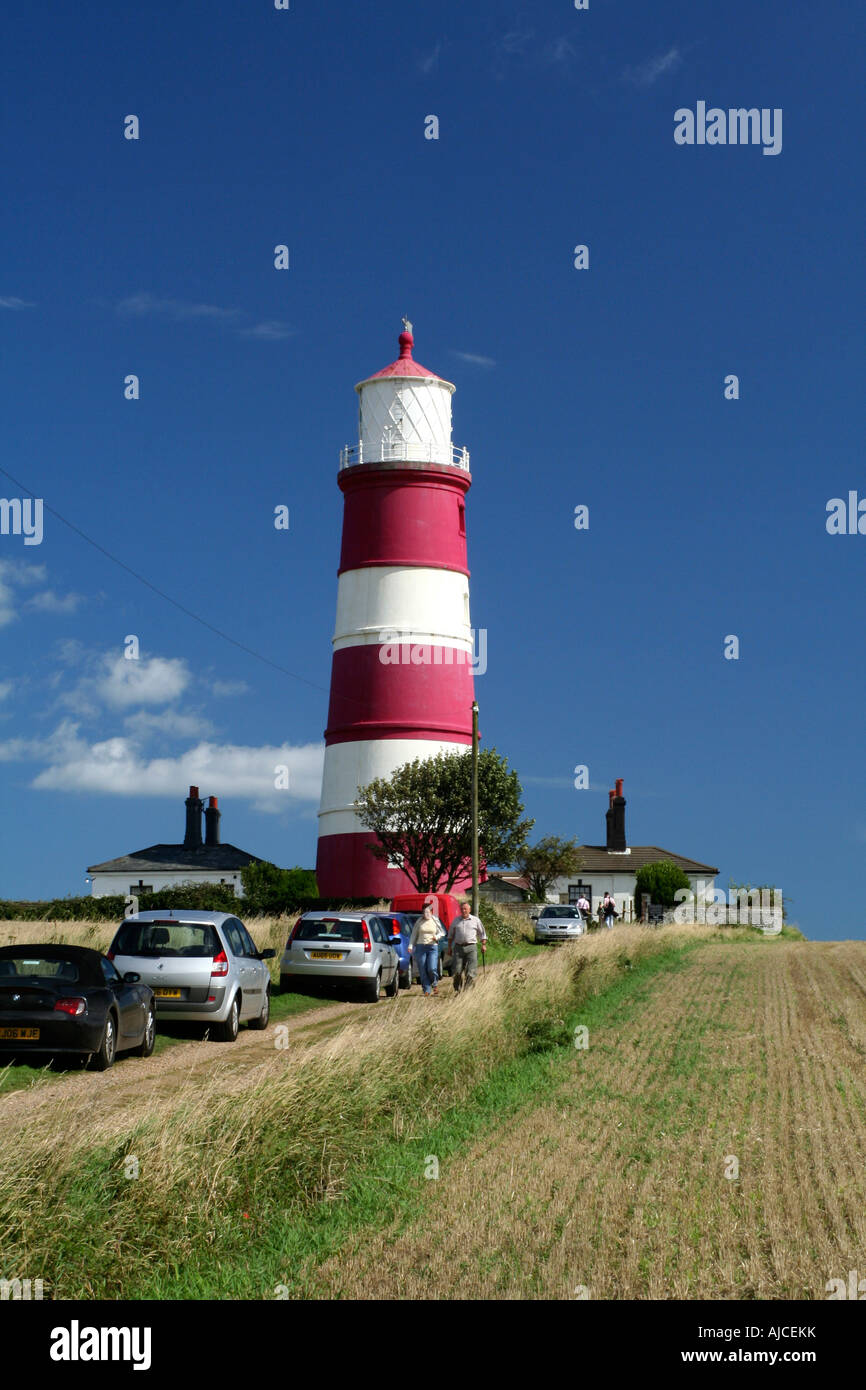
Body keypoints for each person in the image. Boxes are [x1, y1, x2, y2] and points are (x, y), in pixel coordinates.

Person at [447, 900, 487, 992]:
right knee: (457, 971)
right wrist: (449, 947)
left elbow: (482, 934)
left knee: (470, 972)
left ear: (469, 910)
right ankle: (458, 990)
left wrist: (483, 945)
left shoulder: (475, 920)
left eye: (465, 909)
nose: (463, 911)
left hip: (471, 948)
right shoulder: (456, 921)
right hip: (458, 948)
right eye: (462, 909)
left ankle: (467, 991)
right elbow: (450, 935)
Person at [409, 905, 441, 996]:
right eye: (423, 912)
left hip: (432, 947)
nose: (425, 914)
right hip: (420, 947)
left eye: (427, 912)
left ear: (431, 912)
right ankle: (426, 990)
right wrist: (410, 946)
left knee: (431, 968)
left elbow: (442, 932)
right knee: (422, 969)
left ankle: (434, 984)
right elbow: (414, 934)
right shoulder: (419, 921)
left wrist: (437, 937)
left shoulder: (435, 920)